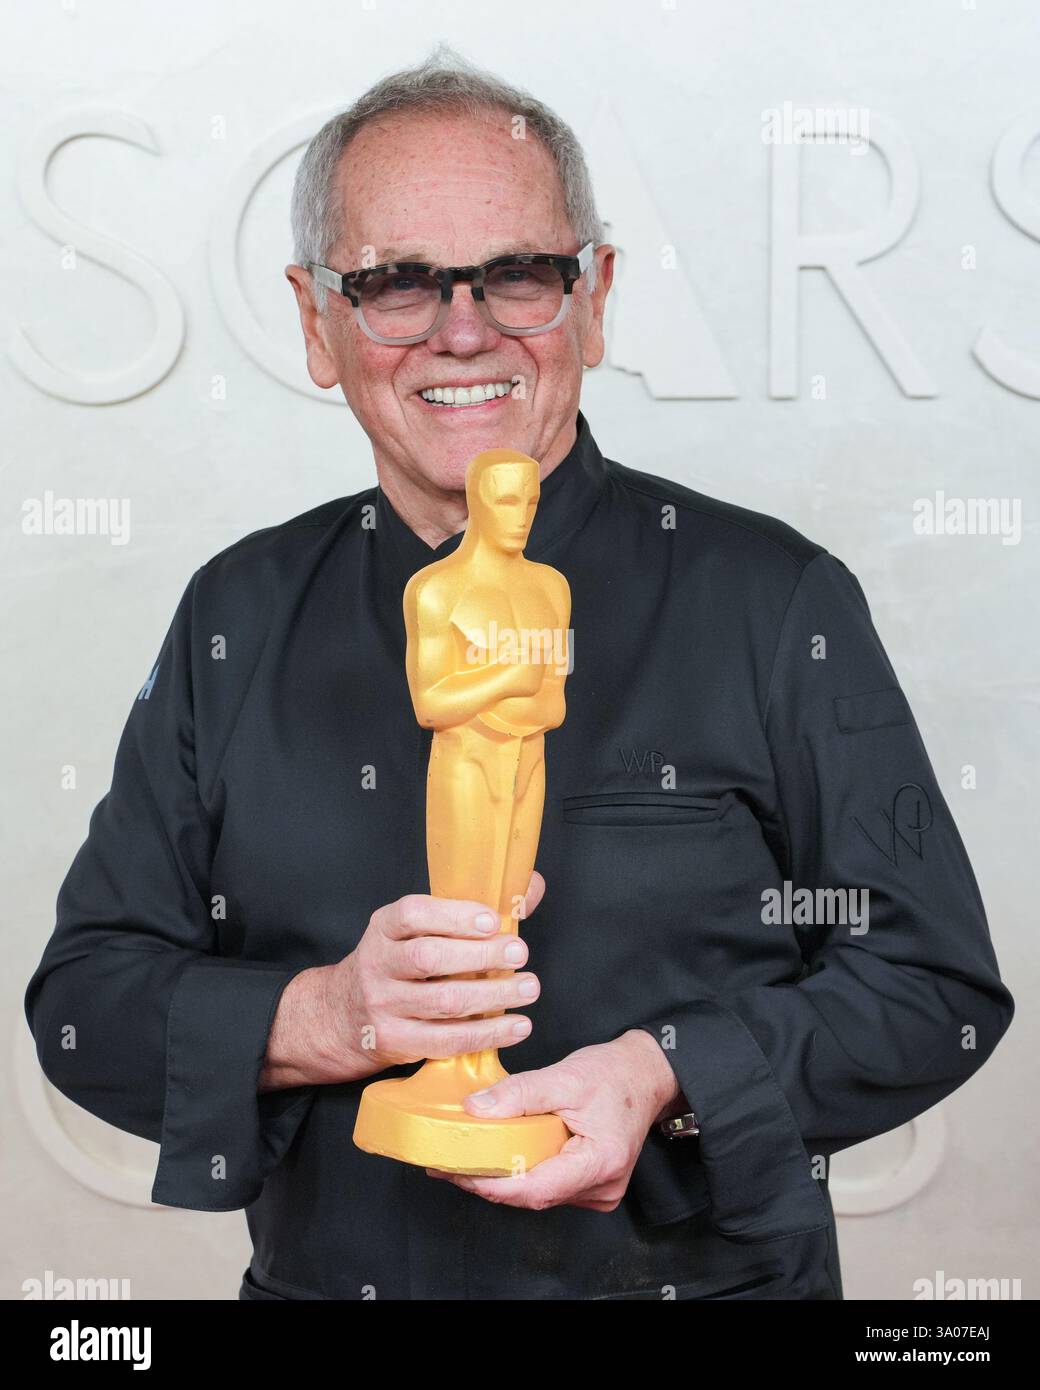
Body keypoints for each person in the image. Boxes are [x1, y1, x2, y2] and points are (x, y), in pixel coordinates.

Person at [25, 49, 1014, 1301]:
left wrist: (665, 1074)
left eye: (517, 274)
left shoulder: (772, 601)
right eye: (393, 281)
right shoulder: (238, 610)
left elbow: (928, 984)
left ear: (592, 296)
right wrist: (331, 1016)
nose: (460, 328)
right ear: (315, 321)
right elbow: (89, 997)